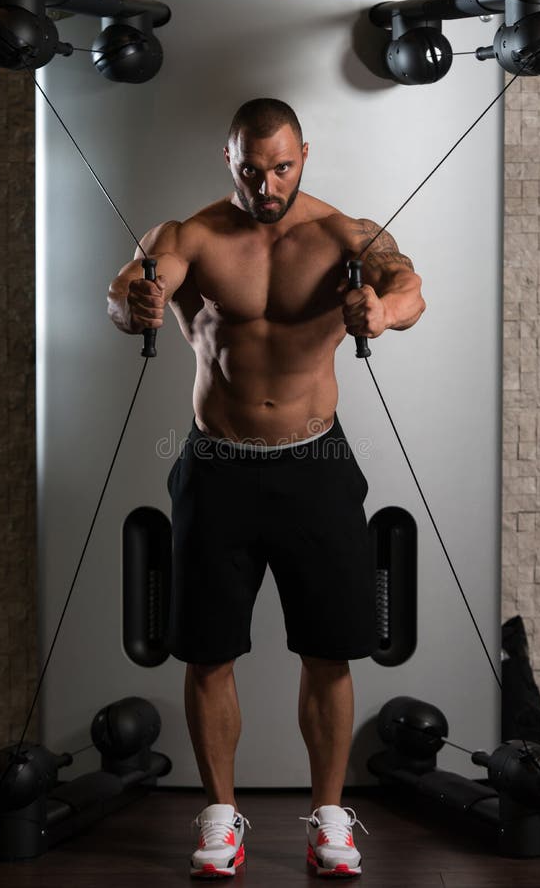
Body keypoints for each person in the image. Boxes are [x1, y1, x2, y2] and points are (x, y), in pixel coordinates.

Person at [108, 98, 425, 879]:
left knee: (330, 648)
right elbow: (129, 290)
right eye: (251, 168)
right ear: (228, 160)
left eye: (281, 166)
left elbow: (409, 285)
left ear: (304, 155)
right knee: (207, 650)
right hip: (217, 467)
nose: (267, 183)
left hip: (314, 465)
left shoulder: (347, 236)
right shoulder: (190, 236)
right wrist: (134, 303)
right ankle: (220, 819)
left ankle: (328, 822)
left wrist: (381, 310)